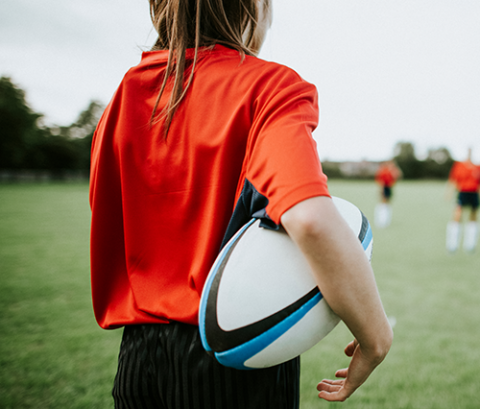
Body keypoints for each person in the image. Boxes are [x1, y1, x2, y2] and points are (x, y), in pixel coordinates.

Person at [89, 1, 392, 407]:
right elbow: (312, 218)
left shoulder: (123, 96)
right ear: (253, 8)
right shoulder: (269, 87)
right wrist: (375, 335)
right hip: (233, 356)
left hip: (137, 360)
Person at [446, 148, 480, 253]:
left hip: (475, 193)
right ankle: (452, 245)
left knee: (473, 217)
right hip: (463, 193)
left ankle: (470, 245)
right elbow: (453, 179)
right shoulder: (459, 165)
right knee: (457, 216)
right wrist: (449, 193)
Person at [374, 160, 401, 228]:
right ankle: (381, 220)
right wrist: (382, 190)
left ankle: (385, 220)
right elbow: (381, 181)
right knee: (383, 203)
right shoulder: (384, 171)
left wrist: (394, 169)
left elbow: (398, 175)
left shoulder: (390, 171)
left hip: (388, 187)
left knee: (387, 203)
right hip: (384, 187)